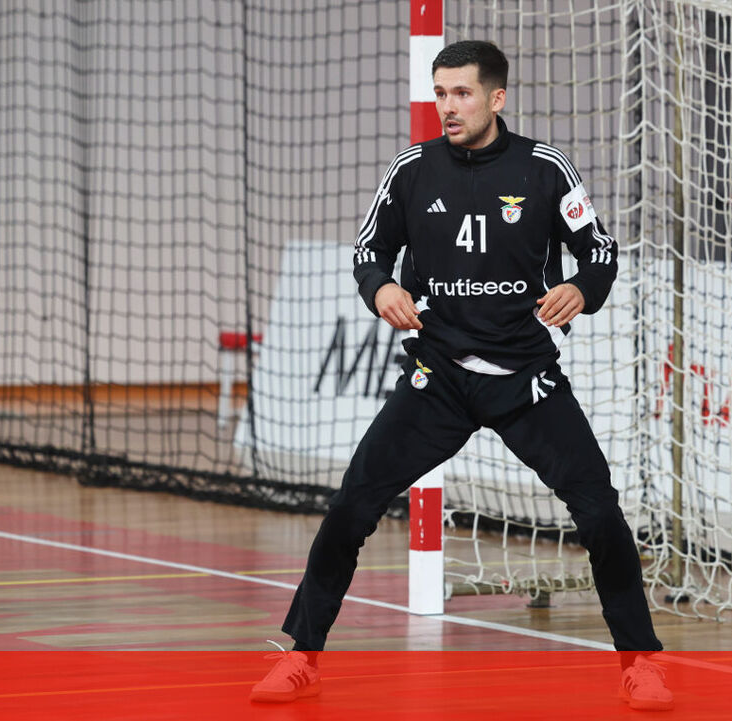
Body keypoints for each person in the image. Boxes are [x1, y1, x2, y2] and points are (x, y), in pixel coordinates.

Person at [251, 40, 672, 712]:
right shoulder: (412, 171)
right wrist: (380, 287)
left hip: (524, 376)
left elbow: (599, 251)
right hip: (437, 375)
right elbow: (369, 251)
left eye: (462, 94)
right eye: (440, 93)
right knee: (353, 503)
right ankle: (300, 655)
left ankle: (641, 664)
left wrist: (583, 290)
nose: (447, 106)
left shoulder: (543, 169)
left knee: (598, 509)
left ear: (496, 98)